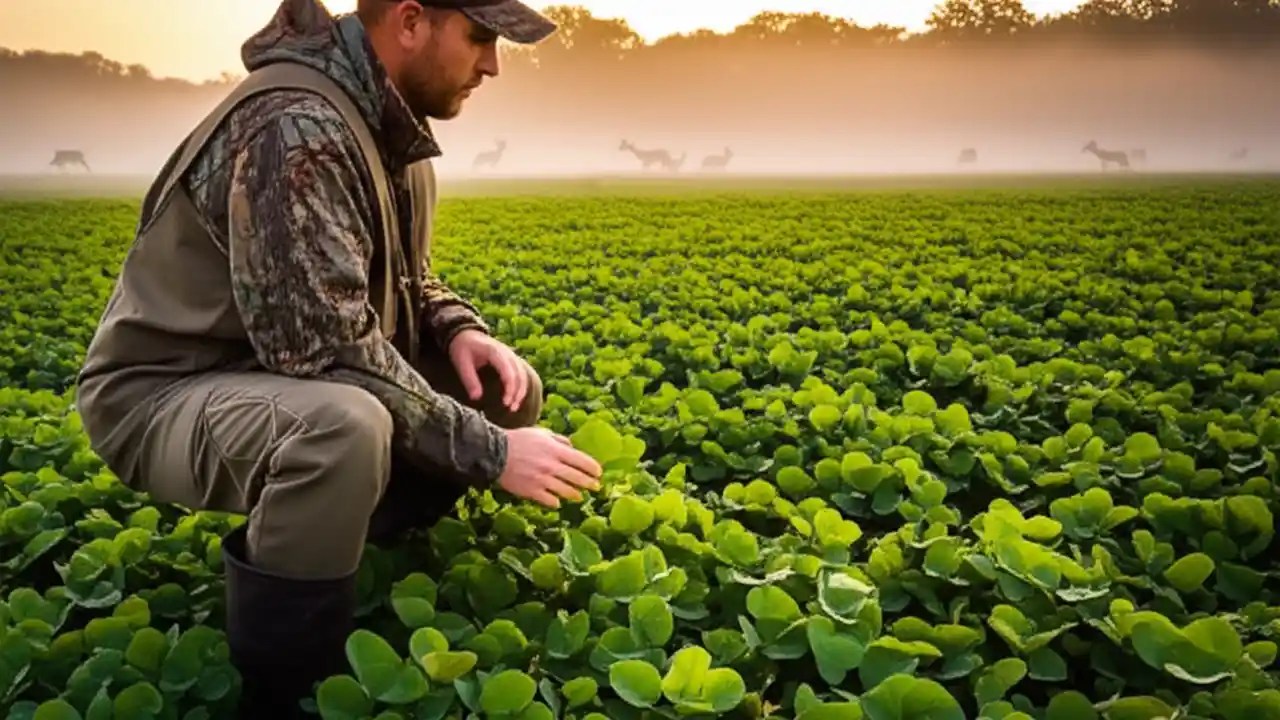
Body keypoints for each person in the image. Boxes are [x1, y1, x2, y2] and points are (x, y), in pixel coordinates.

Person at [73, 0, 603, 716]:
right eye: (480, 37)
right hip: (166, 391)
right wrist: (493, 455)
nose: (492, 64)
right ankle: (287, 681)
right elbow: (325, 354)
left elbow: (389, 275)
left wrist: (454, 328)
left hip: (278, 369)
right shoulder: (295, 128)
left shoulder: (382, 118)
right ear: (411, 21)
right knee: (340, 427)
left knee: (502, 391)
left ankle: (355, 545)